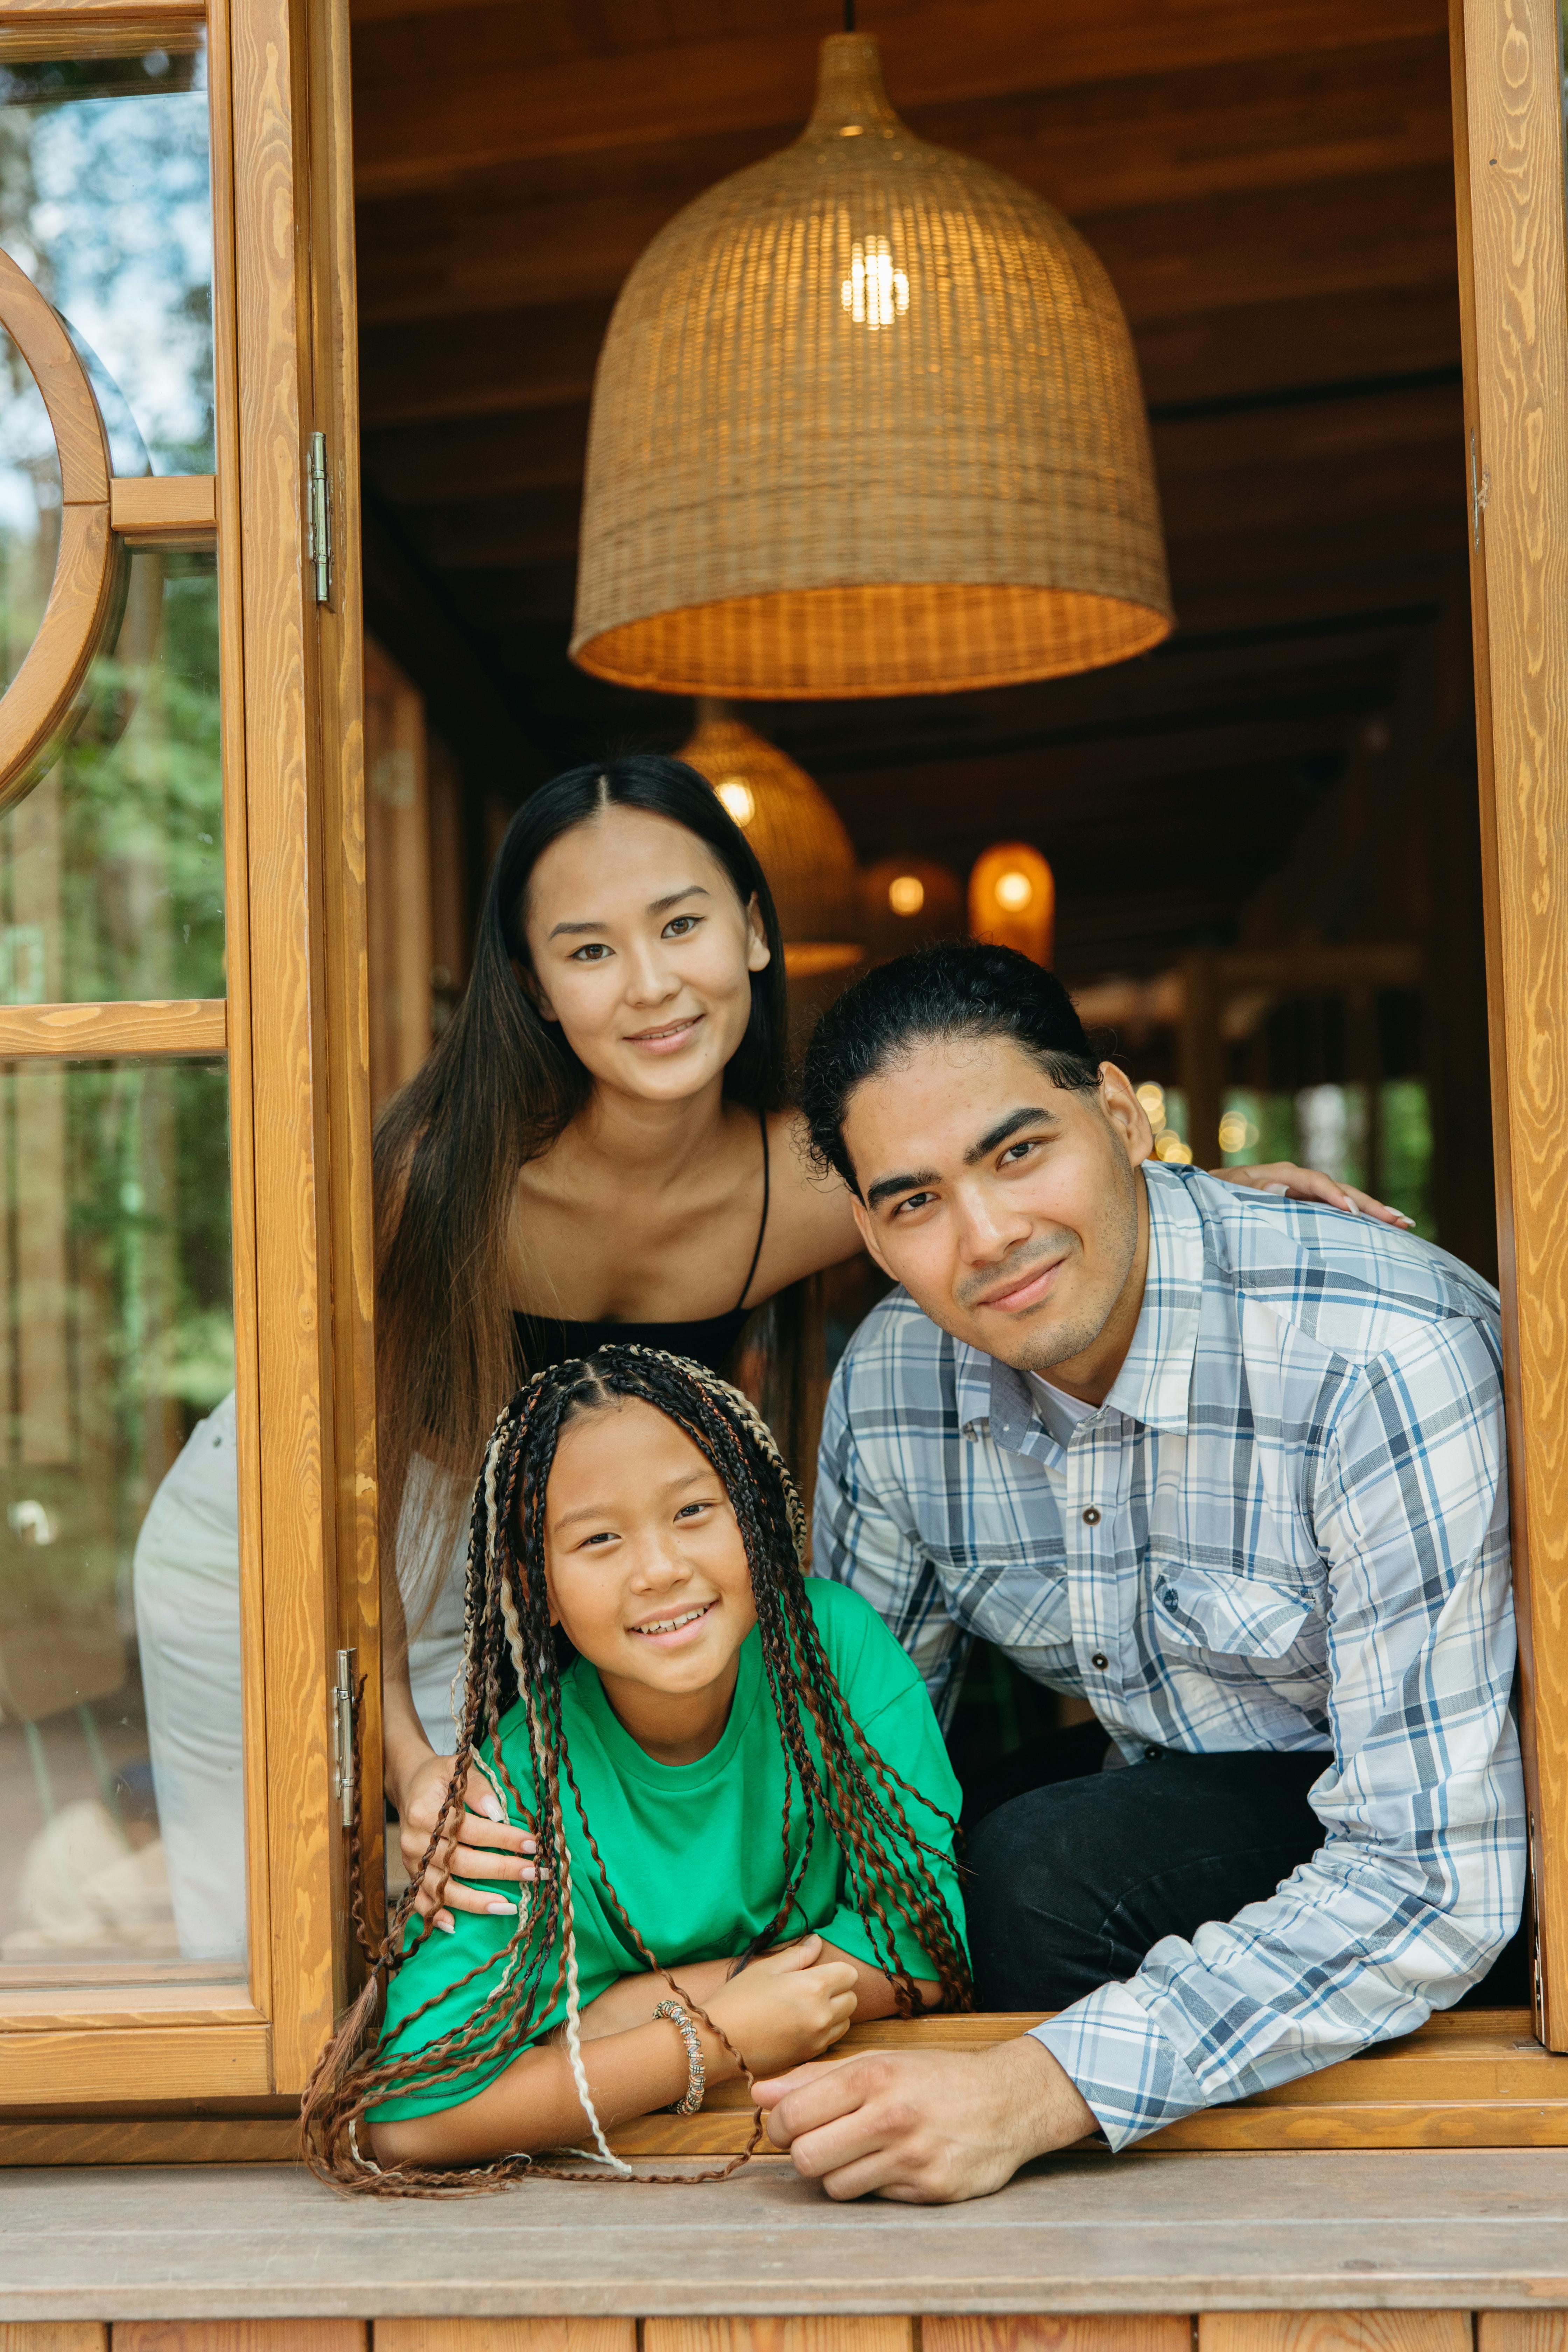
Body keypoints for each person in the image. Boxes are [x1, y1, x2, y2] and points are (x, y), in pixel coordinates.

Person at [133, 755, 1404, 1958]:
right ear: (530, 985)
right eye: (589, 951)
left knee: (496, 1928)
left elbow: (988, 1177)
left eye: (680, 926)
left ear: (750, 929)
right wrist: (403, 1752)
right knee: (291, 1945)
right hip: (295, 1541)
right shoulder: (444, 1173)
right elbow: (331, 1473)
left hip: (545, 1567)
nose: (649, 984)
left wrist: (1208, 1194)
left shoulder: (809, 1178)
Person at [751, 941, 1524, 2204]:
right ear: (869, 1231)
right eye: (916, 1201)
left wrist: (1030, 2088)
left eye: (1019, 1153)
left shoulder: (1380, 1355)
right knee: (973, 1843)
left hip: (1466, 1847)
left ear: (1121, 1114)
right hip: (1187, 1782)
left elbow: (1436, 1872)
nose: (988, 1236)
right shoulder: (896, 1385)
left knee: (1038, 1874)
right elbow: (855, 1791)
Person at [300, 1345, 968, 2186]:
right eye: (599, 1538)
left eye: (693, 1511)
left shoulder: (832, 1648)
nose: (659, 1570)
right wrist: (710, 2036)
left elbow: (922, 1950)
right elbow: (408, 2114)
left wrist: (619, 2010)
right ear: (533, 1582)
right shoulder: (522, 1785)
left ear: (752, 1513)